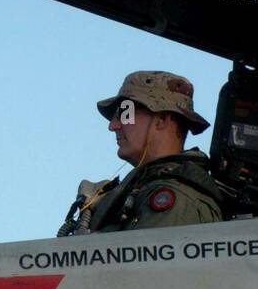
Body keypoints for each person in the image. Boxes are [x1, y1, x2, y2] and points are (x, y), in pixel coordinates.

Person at [59, 71, 223, 234]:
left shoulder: (176, 198)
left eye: (125, 113)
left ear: (162, 120)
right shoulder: (140, 191)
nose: (113, 126)